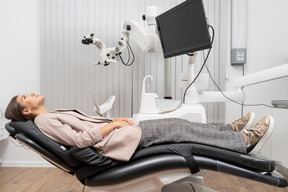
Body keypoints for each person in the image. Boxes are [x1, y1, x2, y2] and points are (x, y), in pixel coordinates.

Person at [5, 93, 274, 161]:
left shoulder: (52, 114)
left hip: (122, 134)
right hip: (118, 143)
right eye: (24, 97)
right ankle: (244, 141)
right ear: (26, 111)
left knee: (179, 124)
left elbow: (89, 126)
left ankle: (229, 130)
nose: (30, 93)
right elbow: (79, 140)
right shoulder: (43, 120)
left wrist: (114, 121)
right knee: (181, 131)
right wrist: (114, 127)